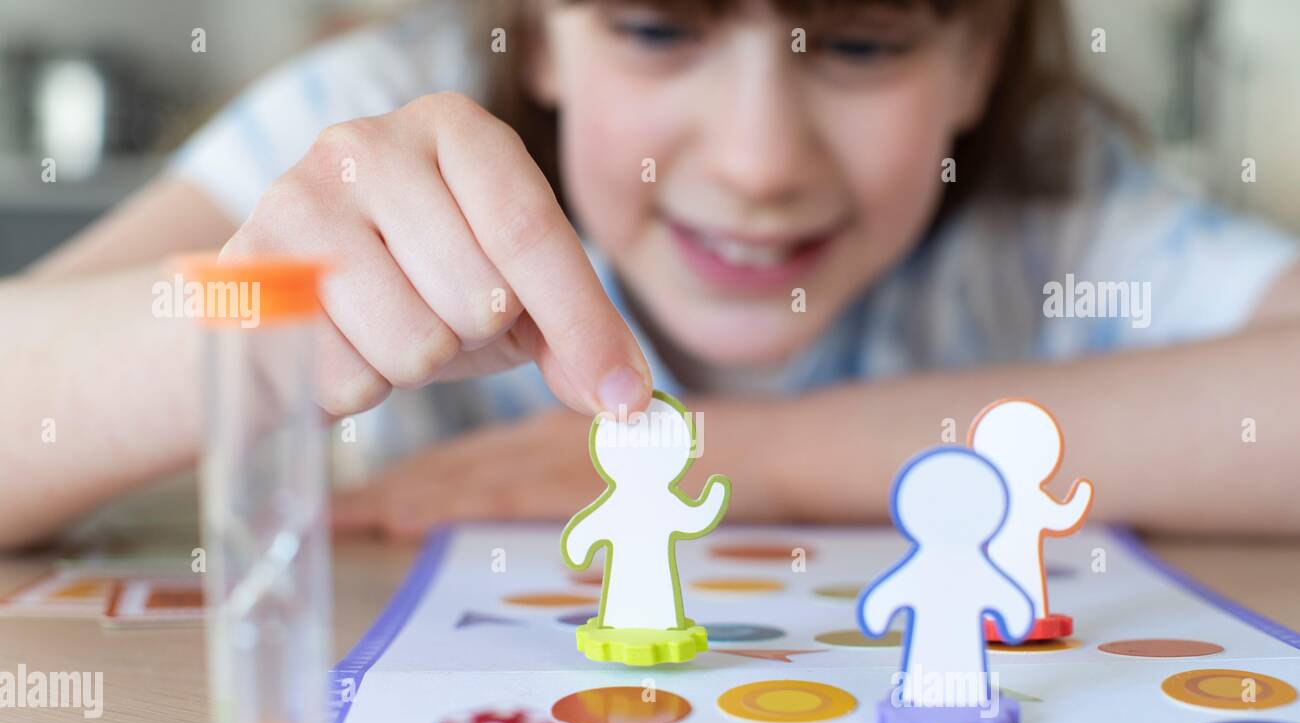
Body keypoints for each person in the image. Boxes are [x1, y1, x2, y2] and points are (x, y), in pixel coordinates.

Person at [1, 0, 1297, 551]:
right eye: (657, 27)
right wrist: (253, 315)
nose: (756, 159)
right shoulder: (382, 113)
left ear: (974, 60)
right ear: (545, 36)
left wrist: (768, 450)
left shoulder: (1055, 204)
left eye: (857, 42)